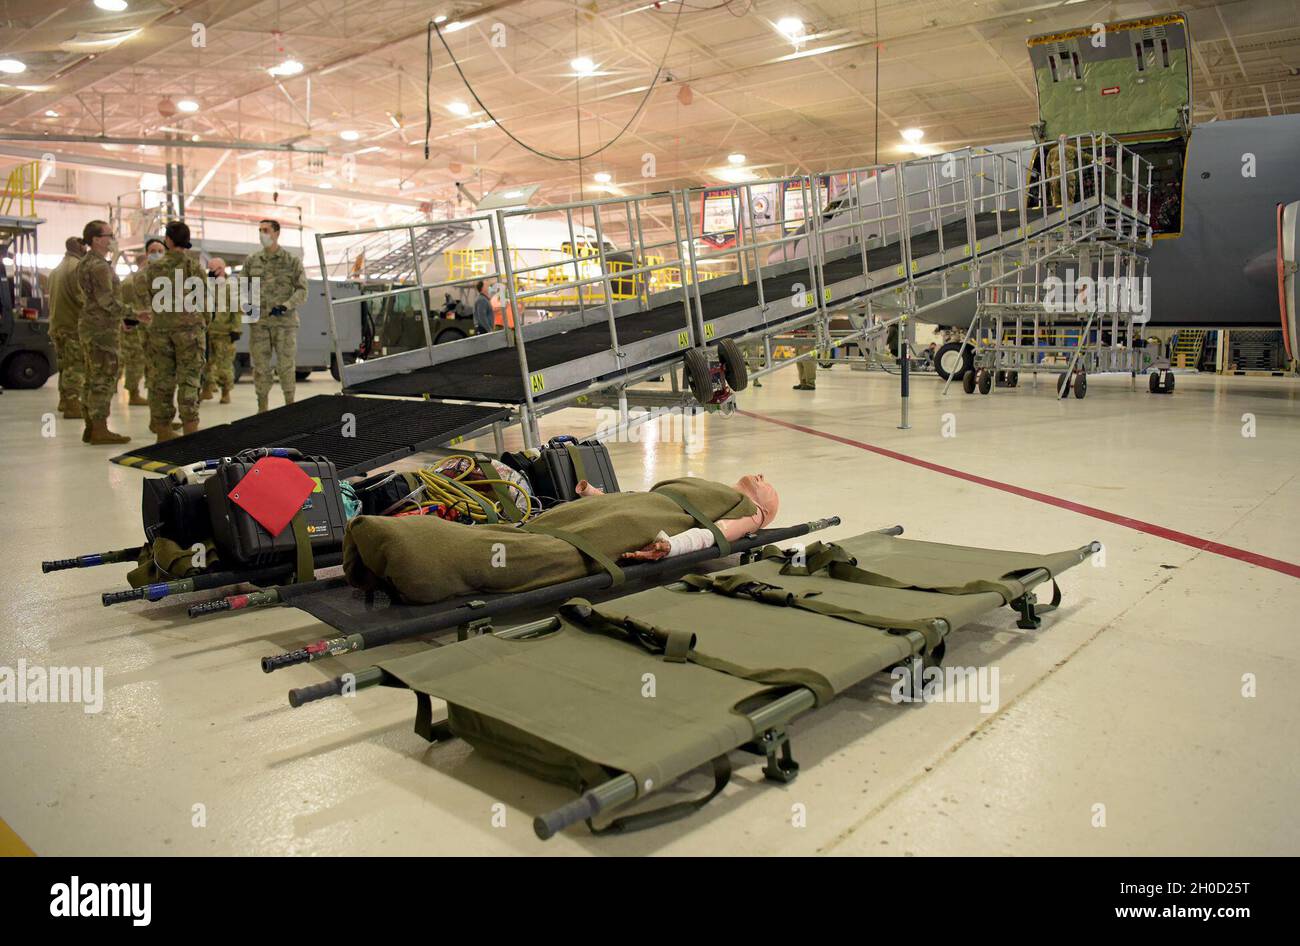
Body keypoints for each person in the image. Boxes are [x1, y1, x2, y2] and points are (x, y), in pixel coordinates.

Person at [139, 221, 207, 441]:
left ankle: (163, 432)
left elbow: (147, 297)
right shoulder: (195, 266)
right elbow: (204, 299)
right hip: (189, 332)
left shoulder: (153, 268)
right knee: (189, 380)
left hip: (160, 332)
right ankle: (190, 432)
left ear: (167, 240)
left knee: (162, 381)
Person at [74, 220, 132, 444]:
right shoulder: (99, 266)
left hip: (92, 326)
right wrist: (133, 313)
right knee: (104, 377)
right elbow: (107, 301)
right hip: (102, 330)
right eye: (109, 235)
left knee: (92, 376)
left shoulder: (87, 262)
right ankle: (100, 428)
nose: (112, 239)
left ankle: (91, 427)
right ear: (97, 239)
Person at [242, 218, 307, 413]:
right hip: (259, 323)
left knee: (286, 366)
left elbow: (302, 290)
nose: (263, 234)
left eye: (266, 230)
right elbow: (243, 287)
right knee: (261, 368)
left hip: (284, 324)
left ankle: (290, 407)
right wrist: (246, 307)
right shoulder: (252, 260)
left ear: (277, 233)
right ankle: (262, 408)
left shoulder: (291, 260)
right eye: (260, 230)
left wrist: (286, 305)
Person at [118, 238, 165, 407]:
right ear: (146, 256)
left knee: (150, 365)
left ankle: (144, 395)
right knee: (135, 362)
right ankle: (134, 393)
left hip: (155, 328)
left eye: (161, 251)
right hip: (136, 328)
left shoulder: (163, 277)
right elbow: (124, 304)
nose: (157, 255)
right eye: (153, 252)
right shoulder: (133, 281)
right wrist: (127, 320)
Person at [47, 236, 87, 419]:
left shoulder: (56, 270)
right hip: (72, 326)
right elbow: (82, 299)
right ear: (79, 247)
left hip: (57, 325)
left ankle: (64, 400)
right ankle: (72, 405)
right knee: (75, 366)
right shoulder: (77, 267)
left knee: (64, 366)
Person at [203, 257, 240, 404]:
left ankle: (225, 392)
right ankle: (207, 389)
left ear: (222, 269)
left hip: (224, 332)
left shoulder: (231, 287)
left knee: (224, 365)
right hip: (207, 331)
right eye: (209, 269)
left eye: (214, 269)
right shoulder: (207, 286)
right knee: (205, 364)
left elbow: (237, 309)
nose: (211, 272)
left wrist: (236, 329)